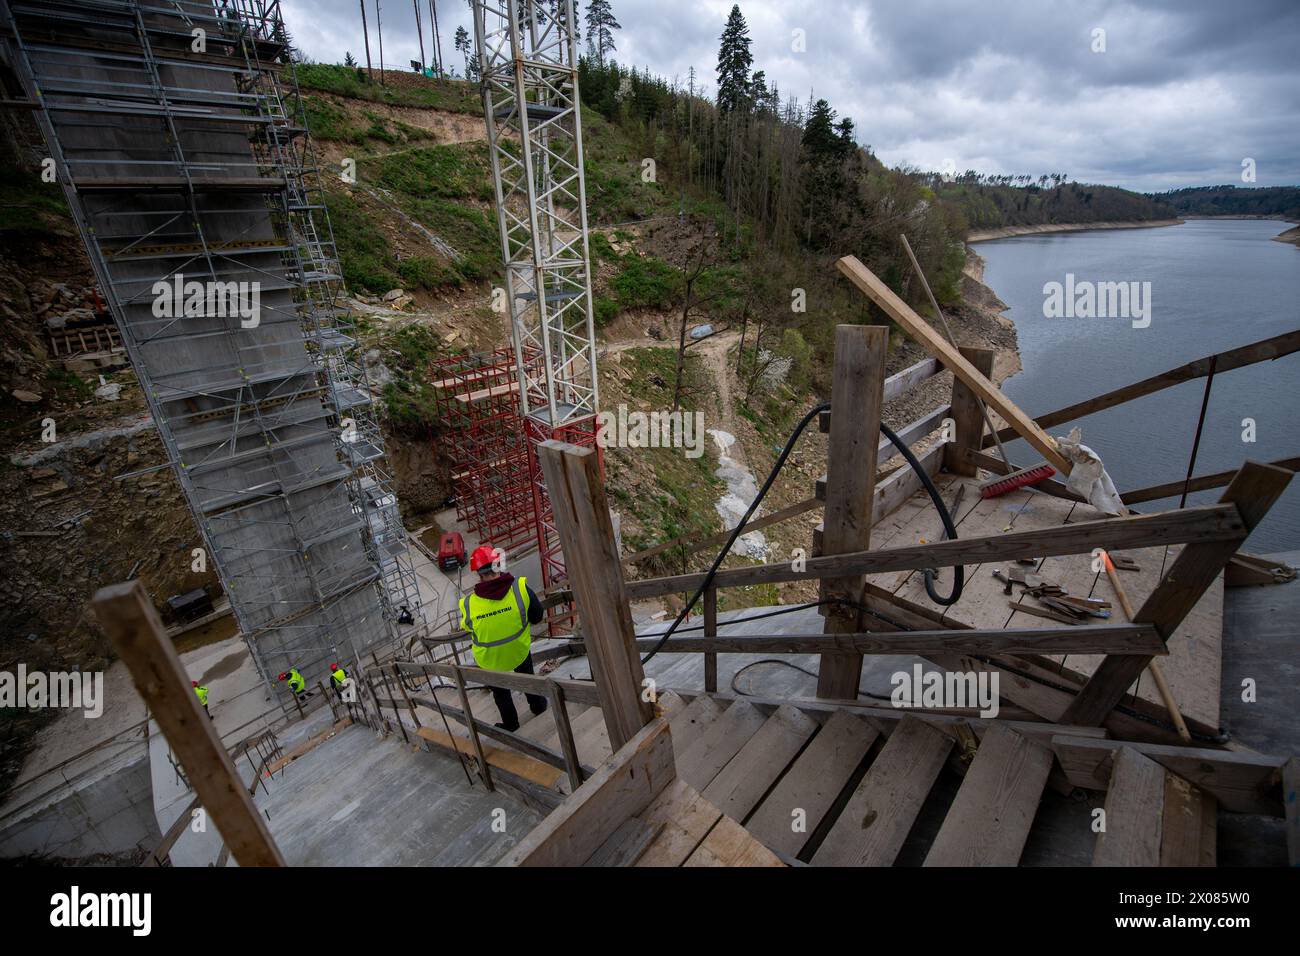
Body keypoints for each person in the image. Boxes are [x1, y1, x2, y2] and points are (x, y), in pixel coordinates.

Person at [458, 545, 547, 731]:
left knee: (500, 693)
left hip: (490, 659)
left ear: (478, 574)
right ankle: (538, 706)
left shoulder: (468, 604)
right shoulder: (520, 588)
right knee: (527, 677)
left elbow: (468, 627)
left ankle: (511, 724)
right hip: (518, 650)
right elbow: (537, 616)